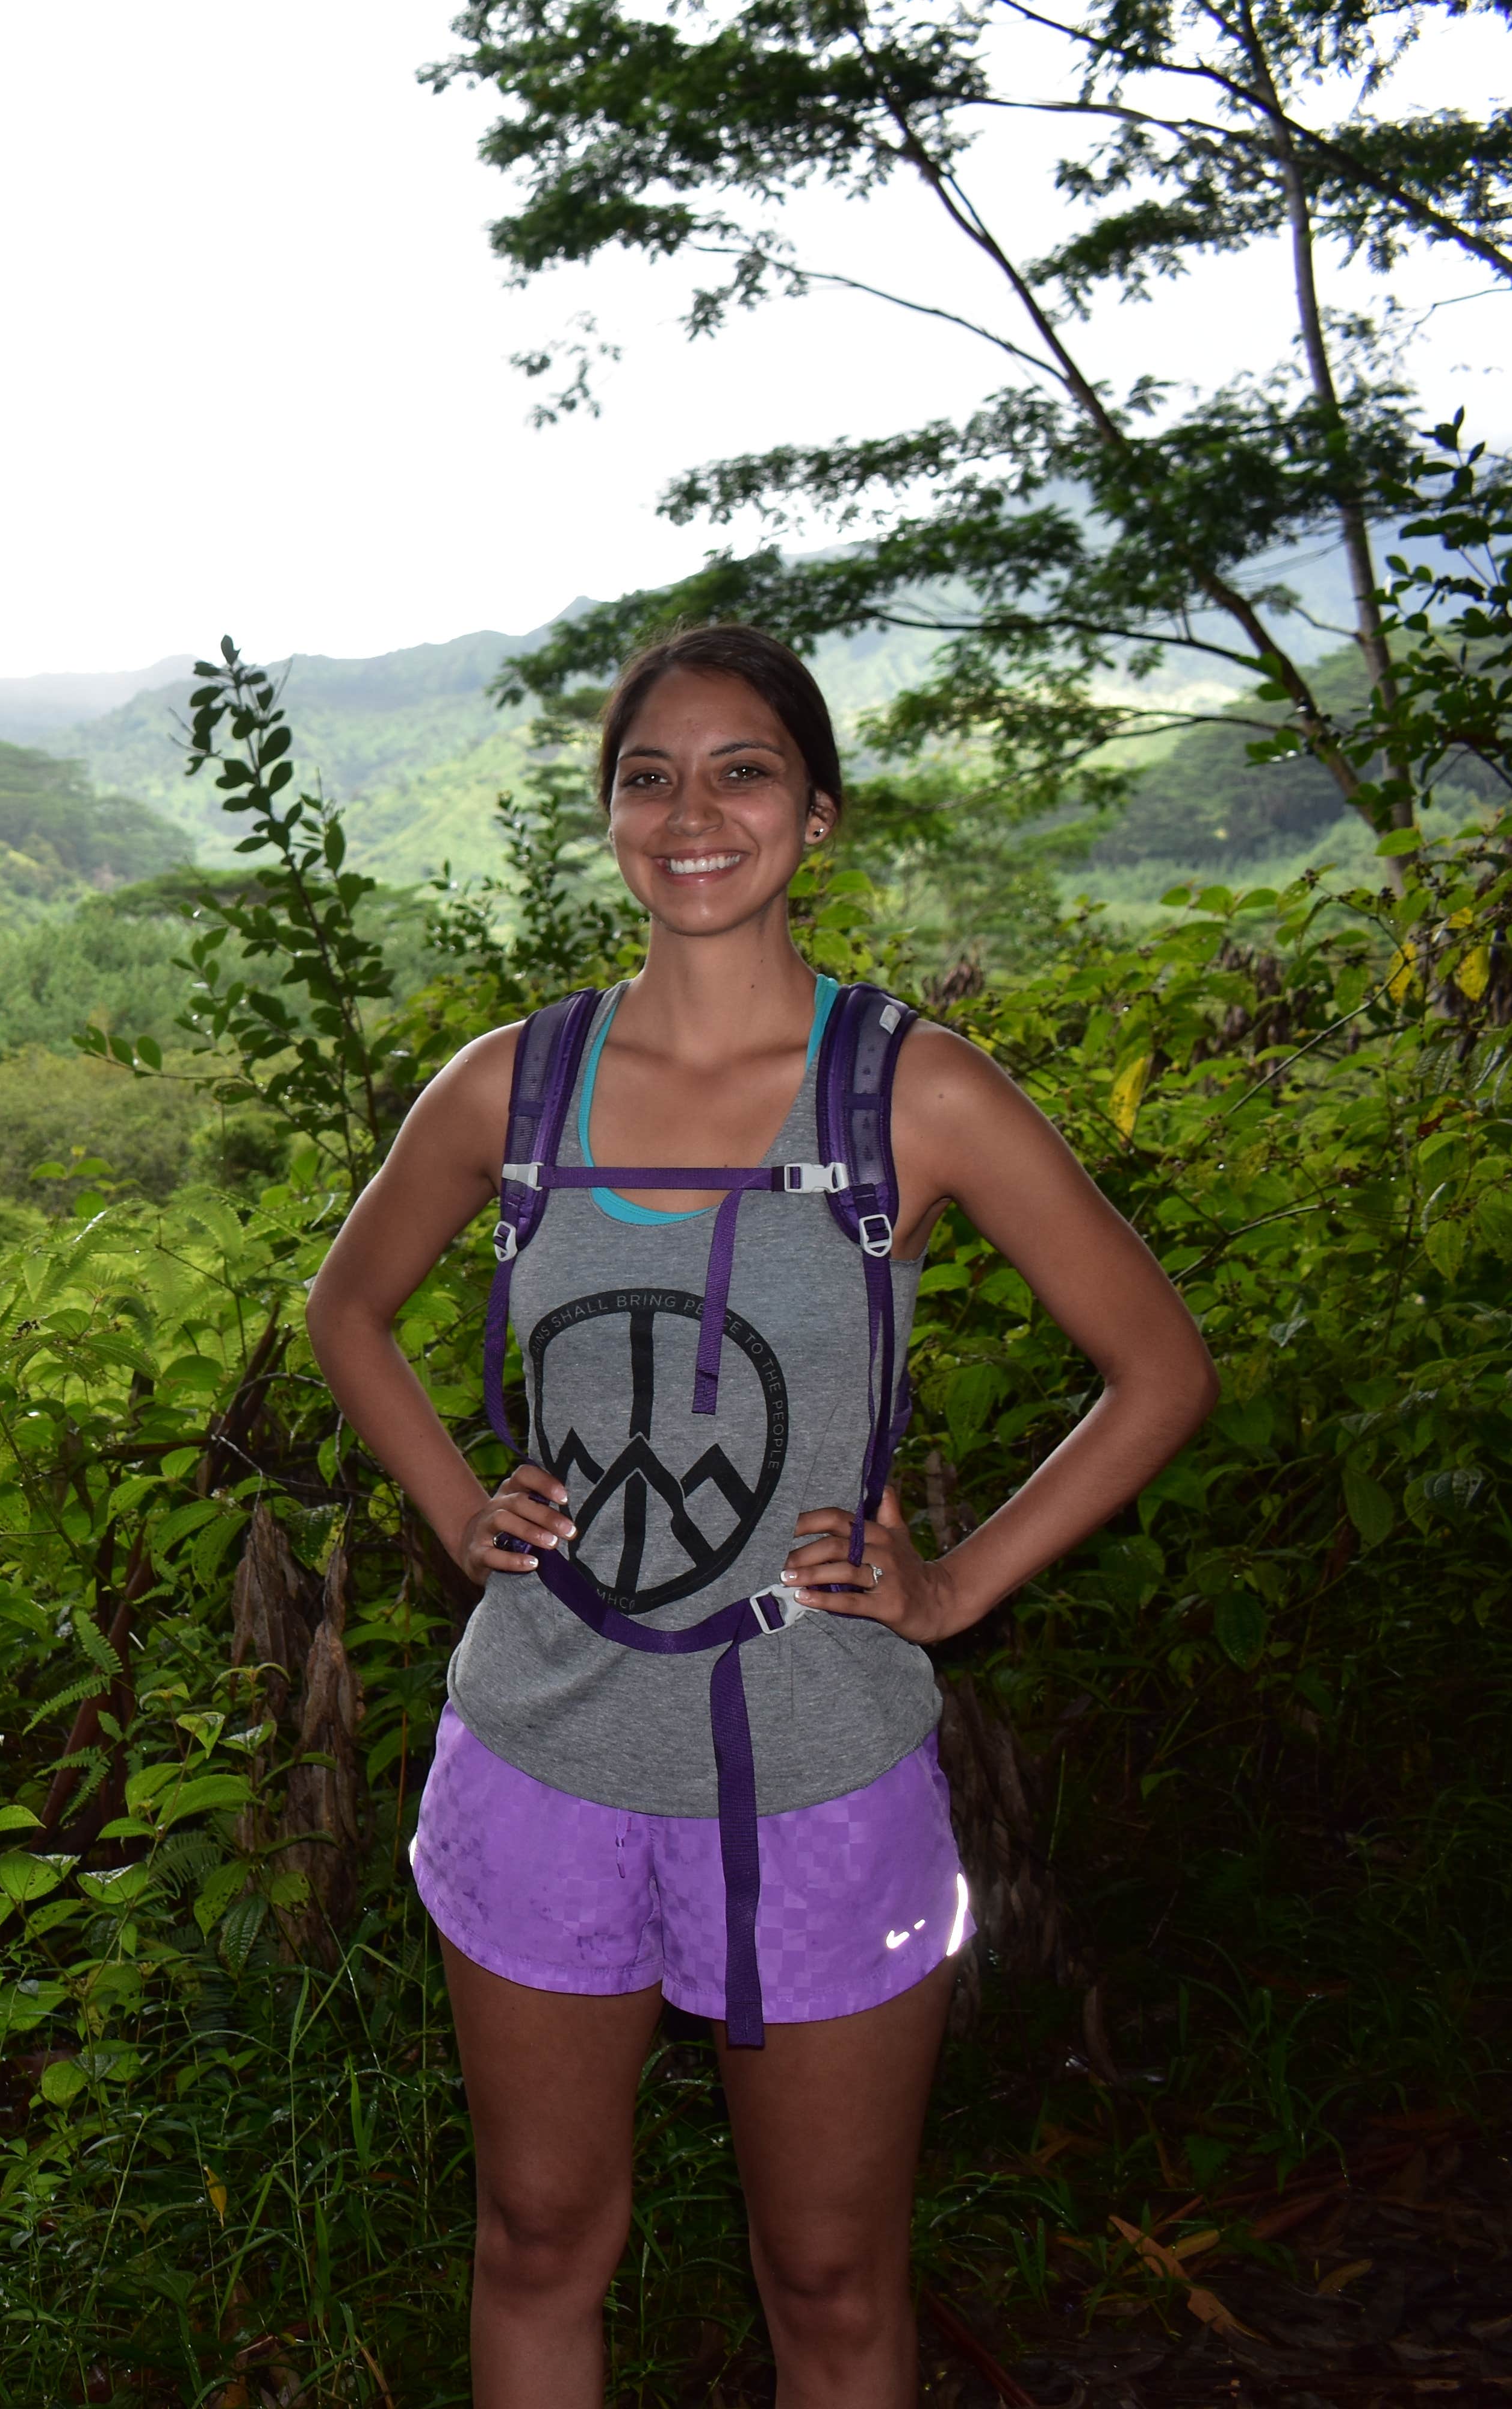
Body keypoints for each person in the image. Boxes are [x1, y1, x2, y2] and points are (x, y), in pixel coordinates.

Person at [305, 625, 1214, 2408]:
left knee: (830, 2280)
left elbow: (1159, 1369)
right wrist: (454, 1508)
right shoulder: (517, 1086)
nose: (692, 812)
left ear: (818, 817)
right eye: (651, 775)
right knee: (544, 2240)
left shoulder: (908, 1092)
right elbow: (349, 1311)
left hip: (819, 1757)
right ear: (610, 817)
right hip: (547, 1747)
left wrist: (952, 1586)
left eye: (744, 772)